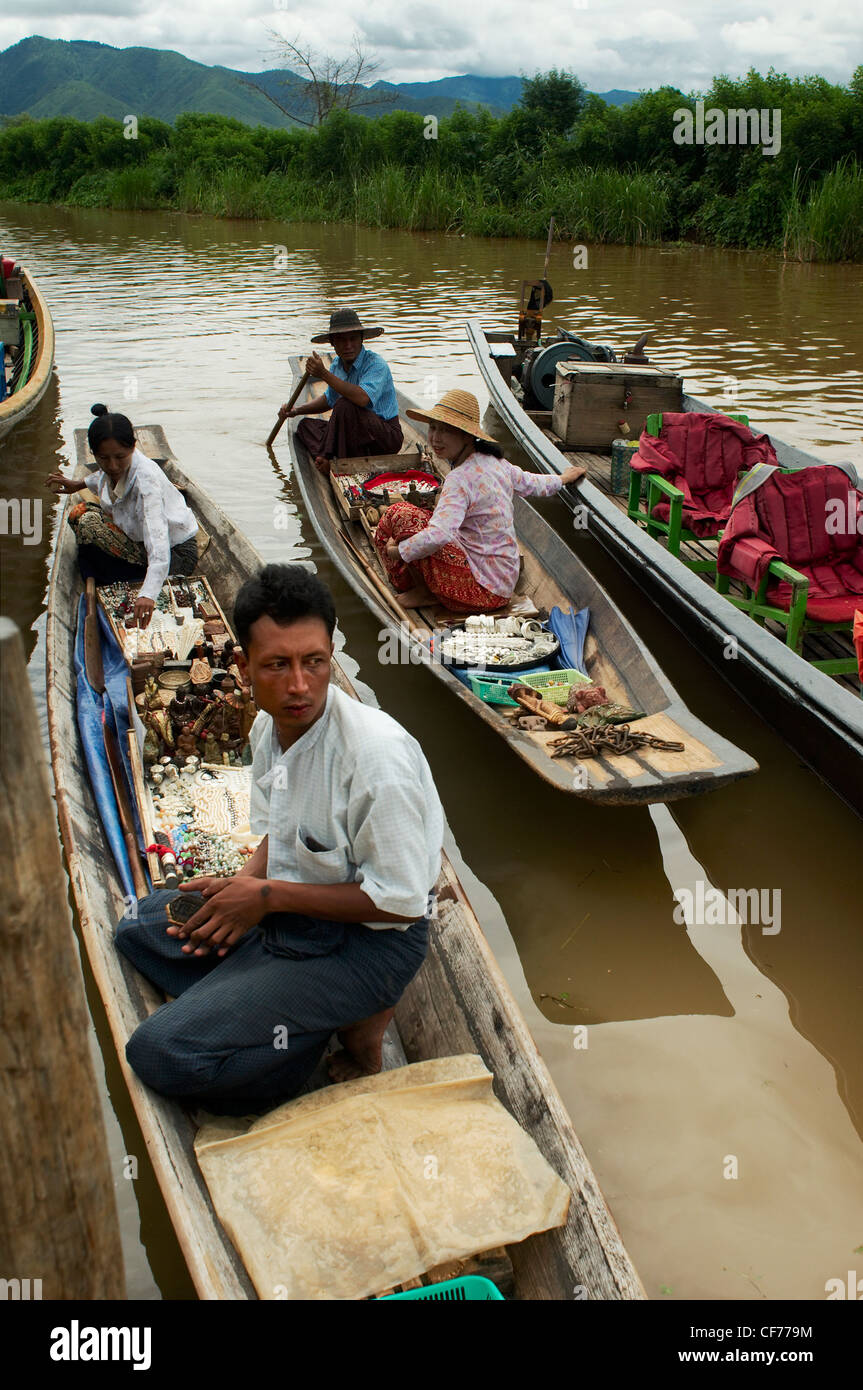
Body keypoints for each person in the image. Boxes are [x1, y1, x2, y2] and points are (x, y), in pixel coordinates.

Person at [115, 564, 443, 1117]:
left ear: (329, 656)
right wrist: (240, 887)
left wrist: (265, 899)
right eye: (277, 665)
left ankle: (303, 1044)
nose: (299, 685)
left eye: (314, 662)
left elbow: (404, 904)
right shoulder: (270, 728)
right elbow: (282, 834)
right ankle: (273, 1000)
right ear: (243, 668)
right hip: (293, 911)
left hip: (369, 945)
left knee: (161, 1053)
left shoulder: (374, 759)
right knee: (141, 929)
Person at [373, 389, 586, 611]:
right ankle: (428, 587)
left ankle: (425, 591)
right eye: (433, 428)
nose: (435, 437)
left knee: (399, 514)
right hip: (503, 583)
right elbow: (532, 483)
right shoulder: (495, 462)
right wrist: (562, 479)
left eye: (446, 431)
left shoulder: (459, 478)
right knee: (418, 520)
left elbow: (439, 535)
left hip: (481, 591)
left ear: (466, 435)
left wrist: (398, 551)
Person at [45, 404, 198, 628]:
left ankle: (124, 574)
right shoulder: (112, 470)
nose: (113, 465)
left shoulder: (146, 481)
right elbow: (104, 478)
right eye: (104, 458)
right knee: (80, 516)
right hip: (141, 543)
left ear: (133, 448)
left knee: (85, 520)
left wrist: (148, 594)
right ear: (94, 454)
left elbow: (158, 542)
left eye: (120, 457)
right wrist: (77, 484)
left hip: (177, 556)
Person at [279, 307, 403, 474]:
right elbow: (329, 399)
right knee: (305, 426)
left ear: (361, 339)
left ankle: (336, 464)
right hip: (355, 436)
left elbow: (362, 399)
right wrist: (297, 410)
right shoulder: (337, 364)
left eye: (353, 339)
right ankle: (332, 456)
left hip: (383, 438)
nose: (348, 346)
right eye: (341, 340)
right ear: (332, 343)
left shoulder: (375, 364)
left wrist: (323, 374)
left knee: (345, 405)